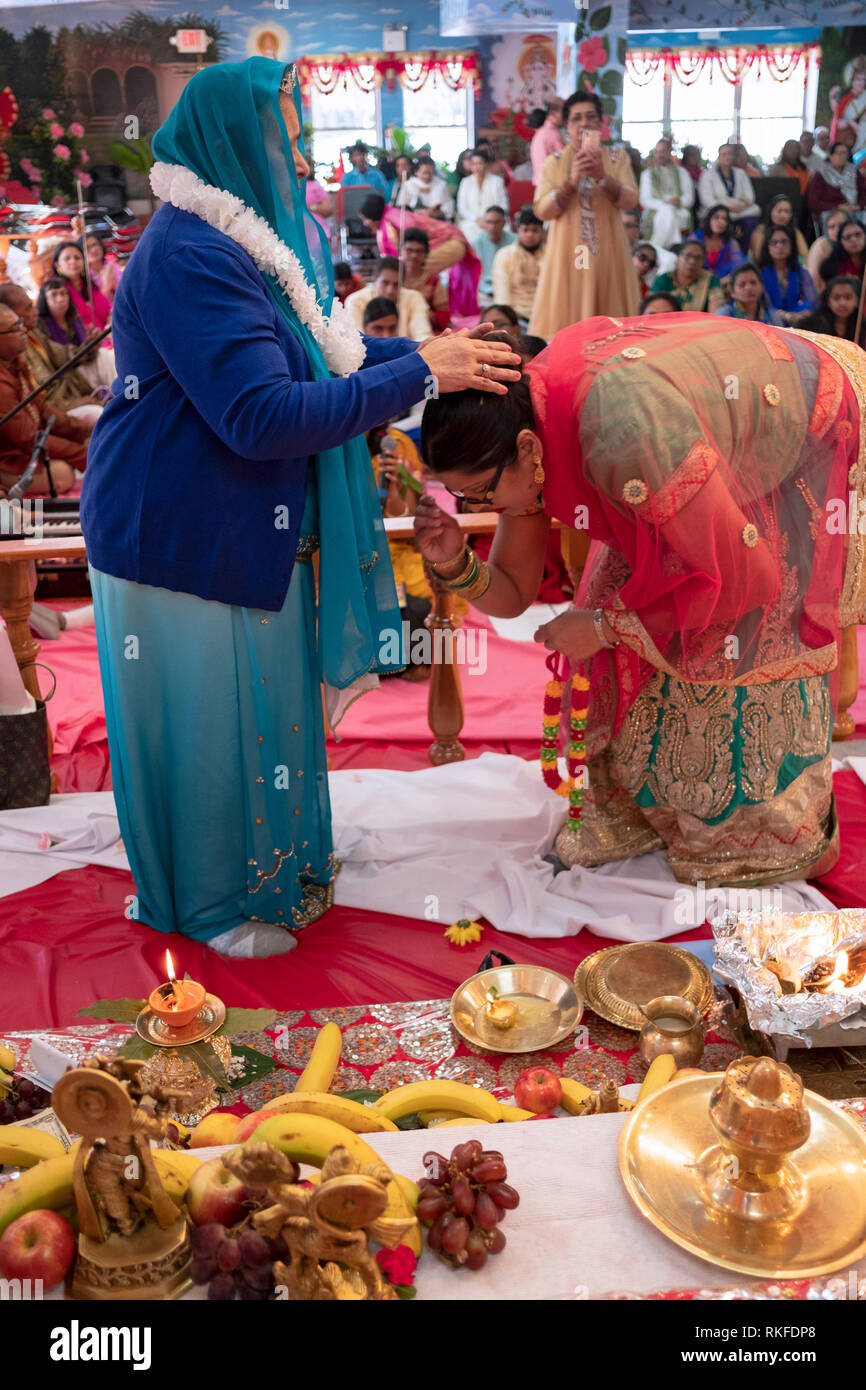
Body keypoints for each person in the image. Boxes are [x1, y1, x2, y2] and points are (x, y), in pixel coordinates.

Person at [78, 57, 521, 959]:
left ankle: (270, 867)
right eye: (282, 140)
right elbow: (259, 414)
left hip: (244, 527)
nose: (301, 162)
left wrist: (429, 350)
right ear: (233, 144)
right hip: (180, 534)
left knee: (259, 712)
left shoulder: (244, 242)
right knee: (211, 723)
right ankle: (204, 905)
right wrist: (419, 374)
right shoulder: (195, 253)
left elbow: (326, 349)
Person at [413, 313, 866, 886]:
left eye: (478, 492)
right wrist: (453, 559)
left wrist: (606, 627)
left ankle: (754, 836)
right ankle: (639, 812)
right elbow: (513, 592)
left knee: (726, 641)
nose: (472, 503)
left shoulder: (625, 434)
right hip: (675, 443)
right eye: (459, 493)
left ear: (527, 447)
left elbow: (748, 579)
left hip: (809, 419)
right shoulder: (524, 424)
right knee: (616, 600)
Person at [529, 90, 639, 338]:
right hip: (567, 252)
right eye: (576, 118)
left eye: (590, 117)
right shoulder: (554, 162)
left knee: (612, 328)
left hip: (608, 250)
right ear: (567, 126)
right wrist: (571, 182)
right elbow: (542, 210)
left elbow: (630, 199)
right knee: (565, 323)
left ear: (601, 123)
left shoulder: (616, 157)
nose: (584, 123)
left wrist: (602, 176)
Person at [0, 303, 89, 495]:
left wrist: (82, 427)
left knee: (93, 430)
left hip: (29, 444)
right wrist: (82, 455)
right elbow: (29, 438)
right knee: (63, 474)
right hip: (9, 460)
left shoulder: (15, 363)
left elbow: (41, 409)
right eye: (15, 328)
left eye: (21, 324)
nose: (24, 330)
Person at [360, 193, 481, 318]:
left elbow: (414, 237)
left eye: (365, 219)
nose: (364, 223)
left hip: (453, 244)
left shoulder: (392, 221)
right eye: (410, 250)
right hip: (451, 243)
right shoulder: (389, 220)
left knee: (413, 269)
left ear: (373, 216)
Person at [0, 283, 103, 423]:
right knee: (98, 415)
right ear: (10, 314)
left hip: (67, 393)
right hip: (56, 408)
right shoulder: (11, 350)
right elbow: (38, 402)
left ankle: (132, 397)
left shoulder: (32, 332)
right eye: (29, 308)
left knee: (103, 356)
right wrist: (71, 404)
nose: (35, 311)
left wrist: (89, 345)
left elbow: (62, 355)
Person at [344, 256, 432, 340]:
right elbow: (357, 341)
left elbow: (422, 334)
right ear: (374, 280)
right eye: (385, 283)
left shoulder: (414, 298)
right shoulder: (356, 301)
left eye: (396, 284)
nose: (390, 290)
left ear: (403, 284)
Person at [491, 207, 546, 322]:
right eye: (525, 230)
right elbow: (502, 292)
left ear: (542, 231)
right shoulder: (504, 255)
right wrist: (507, 319)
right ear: (518, 231)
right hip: (516, 315)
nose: (530, 235)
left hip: (546, 314)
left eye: (535, 230)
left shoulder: (550, 255)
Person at [639, 137, 694, 249]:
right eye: (657, 152)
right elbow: (645, 199)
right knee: (667, 212)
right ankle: (674, 248)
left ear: (669, 152)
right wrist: (665, 204)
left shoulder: (682, 172)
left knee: (671, 214)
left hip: (678, 208)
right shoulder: (647, 174)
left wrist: (680, 202)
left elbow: (689, 197)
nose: (659, 155)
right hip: (655, 210)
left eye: (663, 151)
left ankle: (654, 248)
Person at [758, 225, 816, 325]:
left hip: (799, 320)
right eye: (774, 242)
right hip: (770, 322)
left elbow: (812, 301)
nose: (779, 246)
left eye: (784, 242)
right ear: (767, 247)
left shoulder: (802, 272)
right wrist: (785, 316)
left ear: (792, 245)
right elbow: (765, 306)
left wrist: (804, 313)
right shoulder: (759, 274)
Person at [51, 241, 112, 333]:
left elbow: (108, 310)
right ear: (57, 265)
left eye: (77, 257)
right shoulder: (56, 291)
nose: (73, 261)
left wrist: (110, 324)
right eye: (67, 258)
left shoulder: (87, 283)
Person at [697, 143, 760, 232]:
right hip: (718, 209)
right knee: (717, 216)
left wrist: (741, 206)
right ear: (718, 157)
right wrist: (728, 207)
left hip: (740, 210)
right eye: (724, 154)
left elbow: (750, 197)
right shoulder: (708, 175)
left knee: (755, 210)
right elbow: (706, 200)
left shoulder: (741, 173)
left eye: (730, 154)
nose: (728, 157)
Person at [650, 239, 724, 312]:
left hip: (698, 323)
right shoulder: (664, 279)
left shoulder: (710, 279)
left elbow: (716, 307)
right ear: (678, 258)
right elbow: (651, 307)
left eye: (698, 258)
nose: (692, 261)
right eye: (687, 255)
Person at [807, 141, 866, 230]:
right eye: (839, 153)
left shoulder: (854, 171)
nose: (842, 156)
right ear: (830, 156)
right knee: (837, 222)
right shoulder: (821, 174)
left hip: (854, 209)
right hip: (831, 211)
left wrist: (858, 206)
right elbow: (814, 201)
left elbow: (863, 192)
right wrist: (837, 207)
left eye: (844, 153)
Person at [400, 227, 449, 332]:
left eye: (419, 251)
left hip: (423, 329)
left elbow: (443, 315)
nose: (414, 255)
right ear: (401, 250)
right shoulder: (393, 276)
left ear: (426, 254)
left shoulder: (432, 280)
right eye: (409, 250)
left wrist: (421, 312)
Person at [456, 148, 508, 238]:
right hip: (472, 221)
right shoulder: (465, 182)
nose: (477, 167)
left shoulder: (497, 181)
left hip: (494, 220)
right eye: (474, 164)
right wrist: (477, 220)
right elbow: (462, 208)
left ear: (486, 164)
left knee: (504, 230)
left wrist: (491, 220)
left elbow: (503, 205)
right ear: (471, 165)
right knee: (467, 230)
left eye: (480, 163)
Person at [470, 205, 515, 308]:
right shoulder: (475, 244)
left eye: (496, 222)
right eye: (489, 222)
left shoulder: (515, 241)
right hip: (483, 291)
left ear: (504, 223)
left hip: (509, 289)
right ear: (483, 224)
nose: (492, 227)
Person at [800, 275, 864, 344]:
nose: (842, 303)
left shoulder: (863, 327)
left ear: (857, 302)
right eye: (836, 298)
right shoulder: (810, 326)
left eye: (848, 297)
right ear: (828, 302)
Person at [749, 194, 810, 263]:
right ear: (771, 212)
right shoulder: (760, 231)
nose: (783, 215)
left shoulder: (795, 232)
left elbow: (806, 256)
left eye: (787, 211)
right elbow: (758, 258)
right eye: (779, 211)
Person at [715, 261, 781, 324]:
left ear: (761, 287)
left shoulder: (772, 317)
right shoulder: (724, 315)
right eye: (742, 285)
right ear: (732, 292)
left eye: (753, 283)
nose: (748, 288)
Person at [693, 205, 746, 279]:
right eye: (716, 217)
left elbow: (739, 265)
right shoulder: (696, 238)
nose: (721, 221)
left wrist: (725, 280)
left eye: (724, 219)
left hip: (724, 282)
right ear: (709, 220)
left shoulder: (731, 242)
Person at [394, 155, 454, 220]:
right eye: (424, 173)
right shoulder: (409, 185)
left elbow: (448, 206)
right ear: (416, 172)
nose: (427, 176)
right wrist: (419, 212)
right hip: (414, 220)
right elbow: (401, 207)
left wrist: (439, 212)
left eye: (430, 173)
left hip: (437, 221)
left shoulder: (441, 185)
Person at [807, 208, 848, 294]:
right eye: (832, 227)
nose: (837, 230)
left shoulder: (854, 243)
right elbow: (813, 278)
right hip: (824, 293)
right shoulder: (820, 245)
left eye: (840, 225)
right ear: (826, 230)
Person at [819, 216, 866, 284]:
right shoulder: (830, 267)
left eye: (858, 234)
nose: (853, 240)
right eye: (848, 237)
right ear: (841, 242)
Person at [529, 98, 564, 184]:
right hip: (552, 187)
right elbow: (566, 162)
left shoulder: (542, 132)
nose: (568, 116)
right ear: (553, 113)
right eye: (565, 111)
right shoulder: (552, 134)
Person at [85, 233, 122, 302]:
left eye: (95, 245)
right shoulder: (84, 274)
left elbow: (123, 293)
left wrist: (113, 284)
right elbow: (95, 306)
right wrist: (107, 284)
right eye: (88, 247)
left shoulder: (111, 265)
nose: (93, 250)